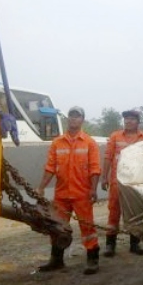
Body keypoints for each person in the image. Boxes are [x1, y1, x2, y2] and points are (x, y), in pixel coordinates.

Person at [36, 106, 102, 274]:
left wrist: (93, 190)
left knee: (87, 228)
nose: (73, 119)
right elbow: (50, 167)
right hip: (62, 194)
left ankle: (93, 259)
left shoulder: (89, 143)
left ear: (82, 120)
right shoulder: (57, 142)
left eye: (77, 116)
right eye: (71, 116)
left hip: (82, 193)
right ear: (68, 119)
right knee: (57, 226)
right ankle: (56, 260)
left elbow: (95, 168)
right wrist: (41, 187)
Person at [100, 110, 143, 257]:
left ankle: (135, 244)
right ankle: (110, 245)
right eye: (126, 119)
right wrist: (104, 177)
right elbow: (108, 157)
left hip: (135, 182)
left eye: (132, 119)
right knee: (113, 213)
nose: (128, 121)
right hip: (117, 182)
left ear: (138, 122)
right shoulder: (115, 136)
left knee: (135, 213)